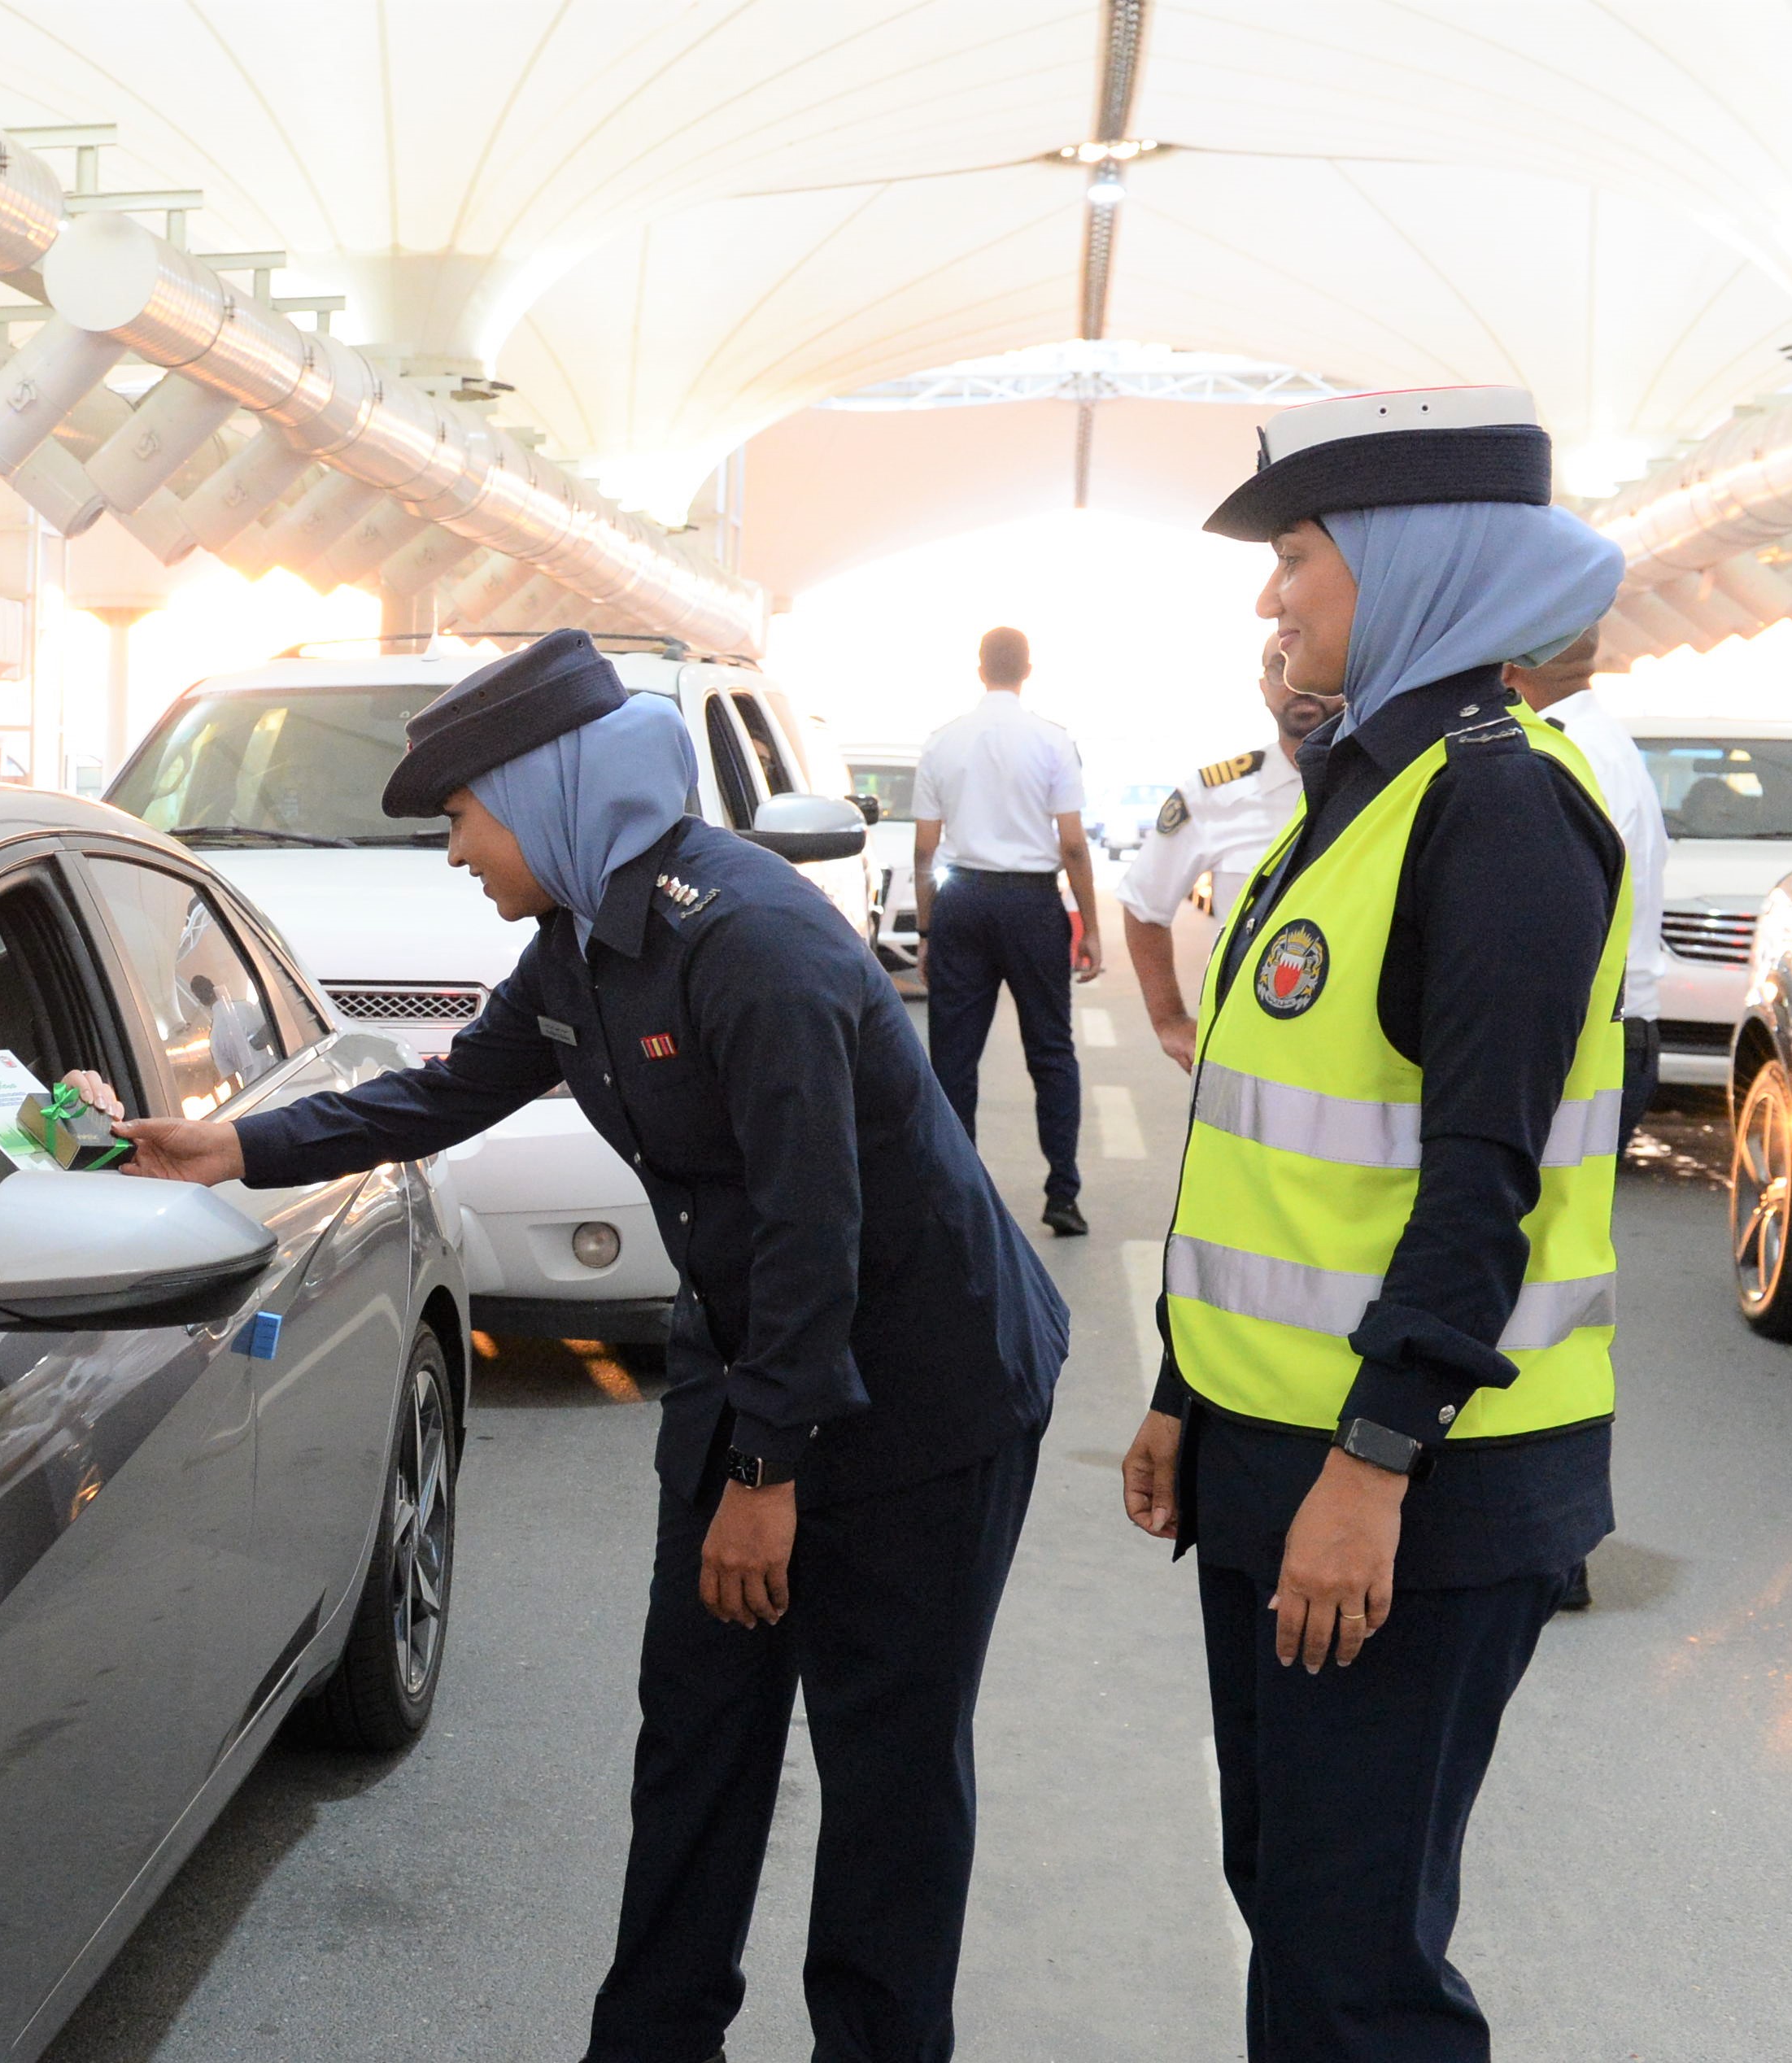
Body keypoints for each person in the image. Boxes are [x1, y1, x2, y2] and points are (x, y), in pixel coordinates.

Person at [112, 630, 1066, 2063]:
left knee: (886, 1773)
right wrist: (232, 1145)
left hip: (926, 1388)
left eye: (459, 817)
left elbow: (823, 1229)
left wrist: (764, 1474)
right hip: (754, 1352)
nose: (451, 856)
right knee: (695, 1734)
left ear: (540, 790)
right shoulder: (577, 949)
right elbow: (441, 1094)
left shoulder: (747, 944)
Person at [1120, 385, 1628, 2062]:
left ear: (1408, 562)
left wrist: (1373, 1457)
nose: (1272, 599)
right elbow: (1279, 1156)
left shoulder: (1492, 808)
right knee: (1286, 1884)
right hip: (1279, 1441)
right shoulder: (1360, 788)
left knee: (1355, 1962)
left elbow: (1478, 1177)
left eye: (1296, 557)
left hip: (1410, 1475)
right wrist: (1186, 1384)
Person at [1505, 628, 1659, 1619]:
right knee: (1550, 1291)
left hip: (1582, 1039)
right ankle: (1552, 1538)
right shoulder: (1593, 738)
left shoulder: (1564, 754)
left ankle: (1550, 1544)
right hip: (1606, 1034)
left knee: (1537, 1298)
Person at [912, 626, 1105, 1235]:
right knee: (1051, 1050)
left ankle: (954, 1198)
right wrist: (1091, 927)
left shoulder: (942, 743)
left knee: (953, 1058)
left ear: (979, 669)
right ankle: (1063, 1196)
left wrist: (926, 930)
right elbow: (1072, 843)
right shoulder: (1053, 741)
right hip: (1031, 906)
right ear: (1027, 670)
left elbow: (924, 848)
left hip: (962, 901)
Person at [1119, 643, 1339, 1071]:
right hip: (1242, 1051)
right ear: (1263, 687)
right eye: (1280, 667)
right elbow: (1144, 906)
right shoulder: (1214, 794)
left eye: (1314, 661)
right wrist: (1169, 1020)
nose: (1296, 681)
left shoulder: (1394, 786)